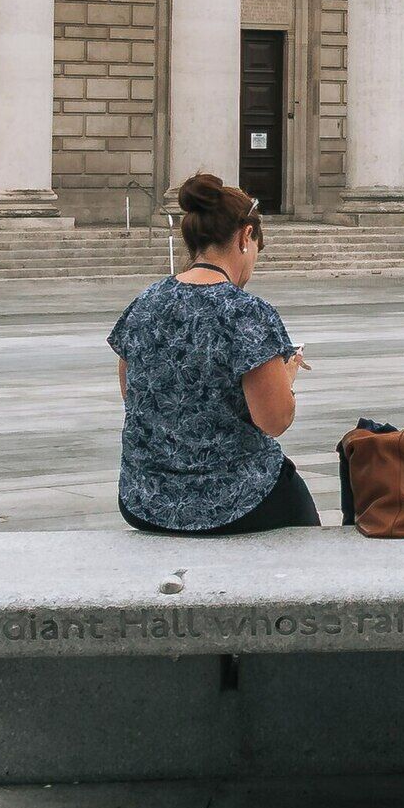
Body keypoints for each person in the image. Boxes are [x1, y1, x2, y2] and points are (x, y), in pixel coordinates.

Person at [111, 173, 317, 536]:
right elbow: (275, 421)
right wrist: (286, 377)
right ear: (245, 237)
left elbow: (132, 392)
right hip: (235, 501)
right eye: (256, 248)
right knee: (305, 529)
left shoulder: (145, 304)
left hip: (144, 499)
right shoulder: (247, 313)